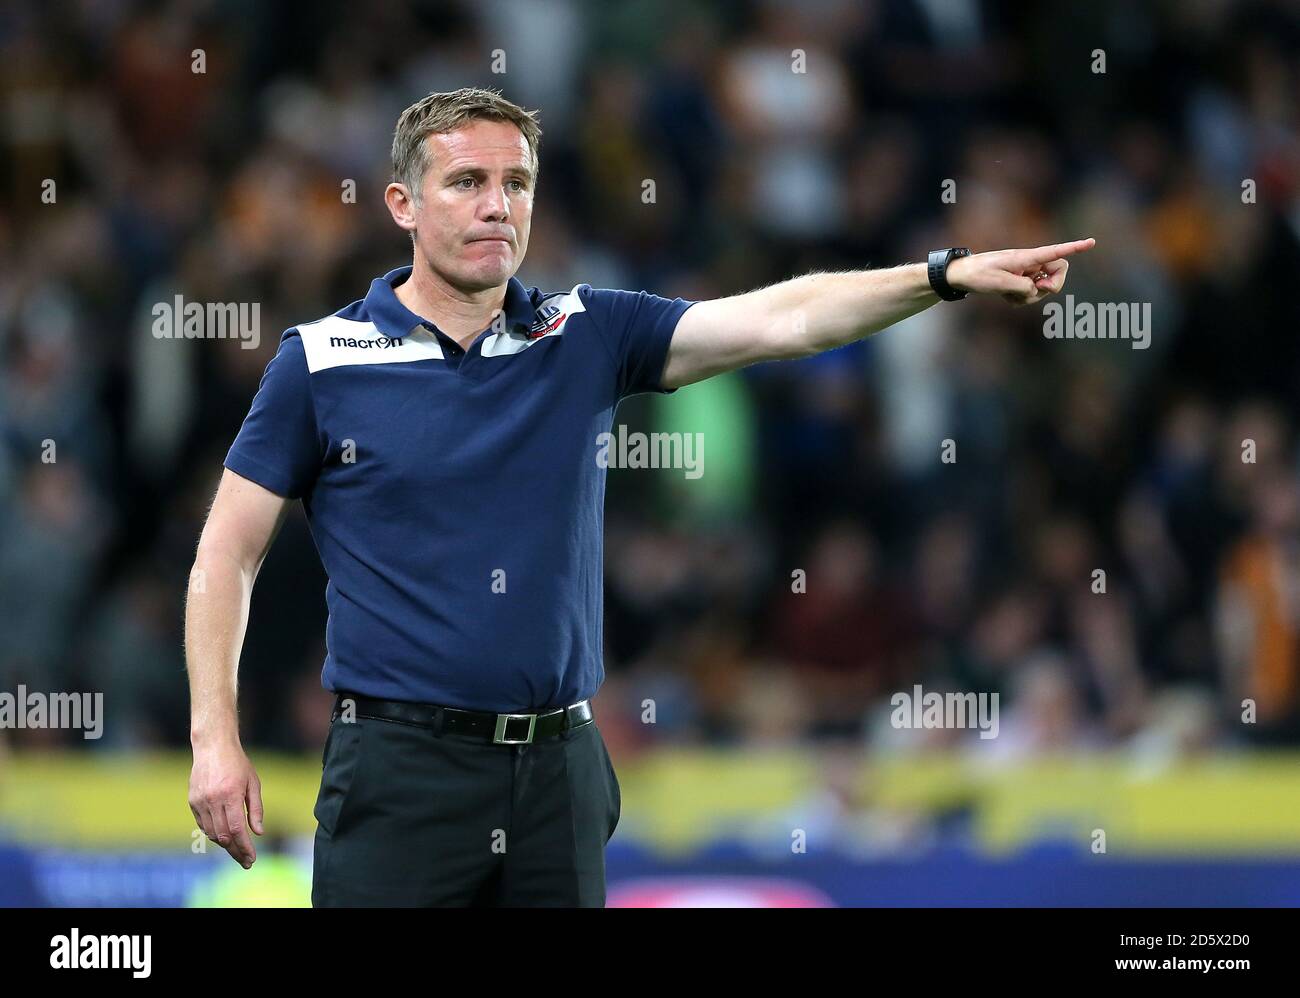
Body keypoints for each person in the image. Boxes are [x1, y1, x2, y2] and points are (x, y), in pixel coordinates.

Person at [185, 86, 1094, 907]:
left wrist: (939, 275)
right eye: (466, 181)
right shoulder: (323, 361)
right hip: (397, 771)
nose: (498, 205)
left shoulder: (586, 331)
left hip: (558, 770)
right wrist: (215, 741)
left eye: (517, 182)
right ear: (403, 205)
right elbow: (226, 552)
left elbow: (785, 316)